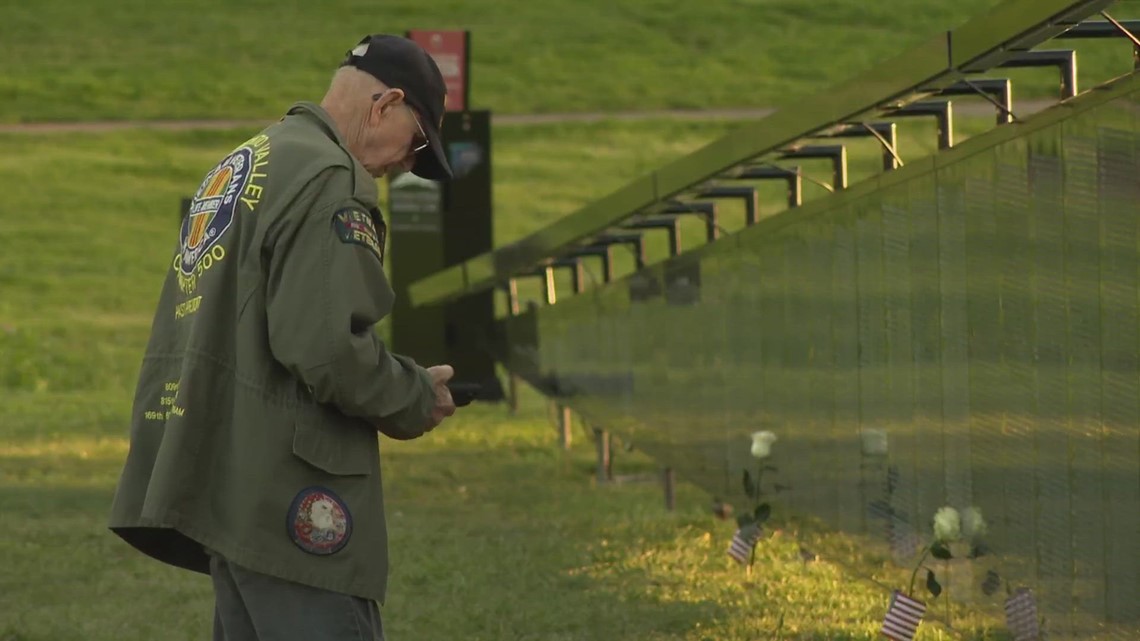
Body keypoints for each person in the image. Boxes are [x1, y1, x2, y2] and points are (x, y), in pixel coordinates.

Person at [108, 34, 458, 641]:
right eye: (418, 141)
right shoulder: (331, 178)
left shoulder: (245, 161)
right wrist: (413, 394)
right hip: (291, 497)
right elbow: (325, 349)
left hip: (225, 487)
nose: (407, 164)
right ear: (387, 103)